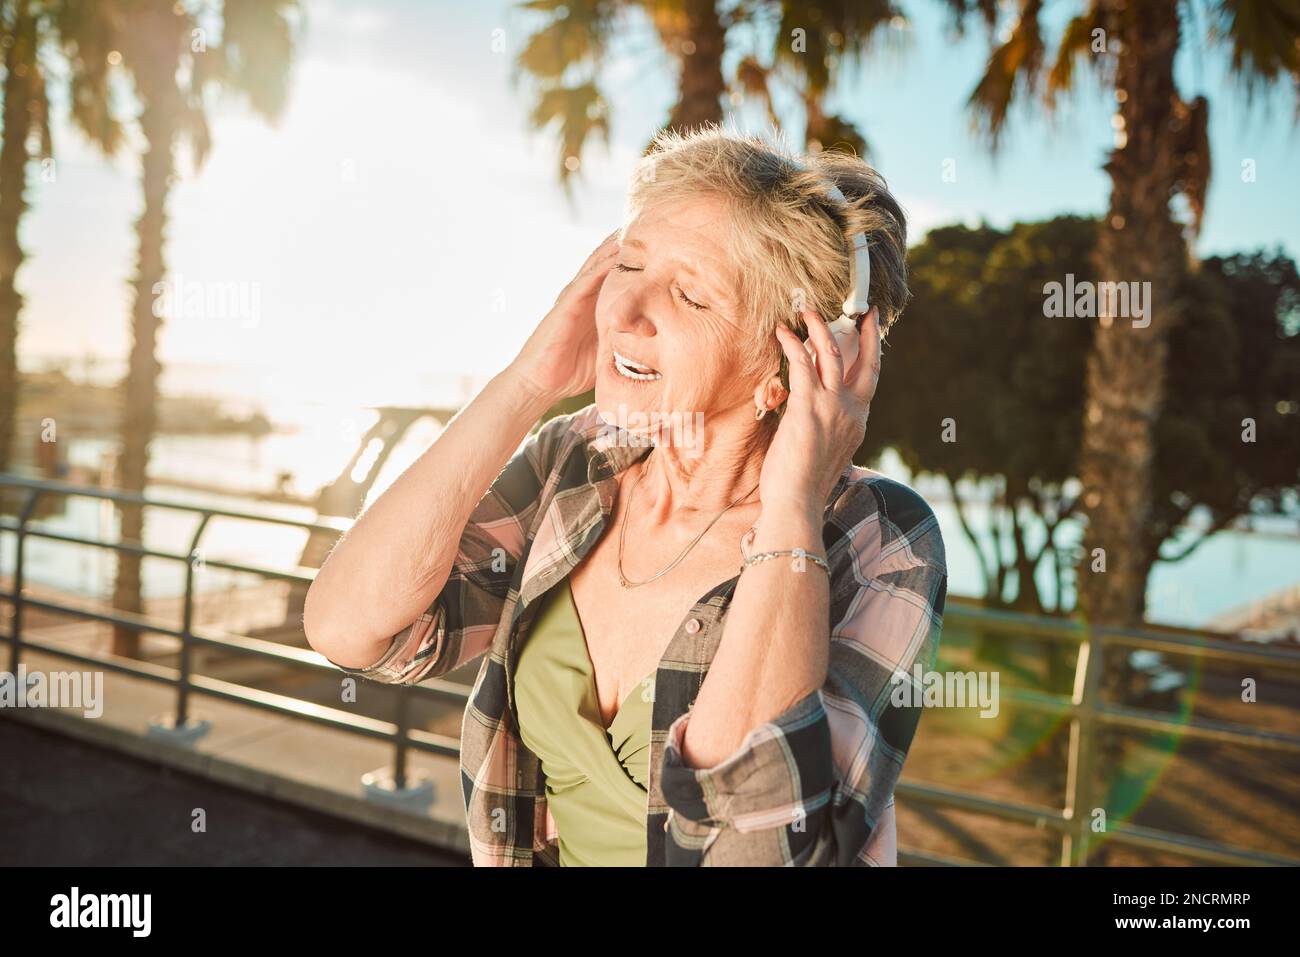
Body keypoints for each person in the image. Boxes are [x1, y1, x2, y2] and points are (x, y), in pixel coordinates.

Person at [304, 126, 947, 866]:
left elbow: (757, 841)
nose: (625, 310)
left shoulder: (880, 540)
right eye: (628, 263)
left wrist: (792, 504)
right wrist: (527, 383)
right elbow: (348, 626)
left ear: (797, 360)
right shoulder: (575, 462)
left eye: (690, 294)